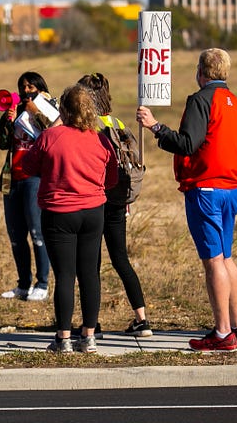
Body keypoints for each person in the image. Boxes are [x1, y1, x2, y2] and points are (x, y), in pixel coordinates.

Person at [137, 47, 237, 353]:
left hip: (206, 189)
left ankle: (222, 332)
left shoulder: (200, 100)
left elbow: (188, 143)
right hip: (232, 188)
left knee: (213, 260)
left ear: (201, 72)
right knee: (226, 257)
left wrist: (156, 127)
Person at [22, 85, 117, 353]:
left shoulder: (50, 136)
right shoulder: (101, 139)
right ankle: (88, 336)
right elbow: (111, 179)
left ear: (63, 109)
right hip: (93, 211)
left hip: (59, 212)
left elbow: (27, 167)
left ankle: (63, 338)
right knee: (89, 274)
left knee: (64, 275)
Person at [77, 72, 152, 337]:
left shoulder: (88, 127)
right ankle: (142, 319)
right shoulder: (116, 122)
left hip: (95, 198)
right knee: (121, 259)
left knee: (90, 263)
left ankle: (91, 323)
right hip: (119, 199)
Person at [0, 70, 54, 302]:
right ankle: (23, 284)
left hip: (35, 178)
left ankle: (43, 283)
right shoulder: (15, 110)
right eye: (23, 87)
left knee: (37, 233)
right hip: (12, 178)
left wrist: (35, 113)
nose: (26, 91)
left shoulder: (49, 108)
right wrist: (7, 120)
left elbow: (53, 134)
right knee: (16, 235)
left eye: (31, 86)